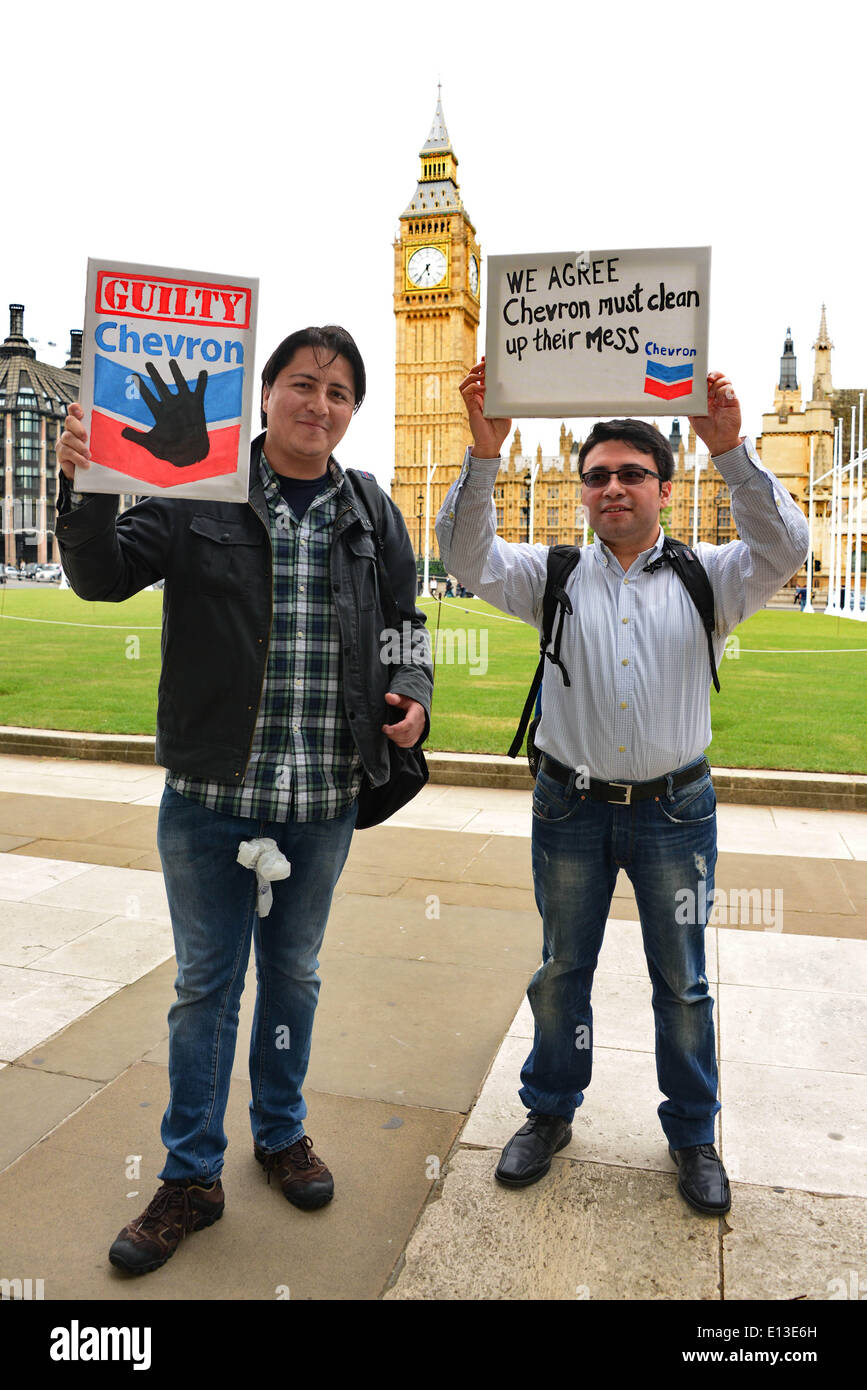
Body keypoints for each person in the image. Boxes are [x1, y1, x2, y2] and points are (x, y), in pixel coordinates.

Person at [56, 325, 432, 1274]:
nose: (321, 404)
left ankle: (280, 1134)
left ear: (352, 411)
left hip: (320, 796)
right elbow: (101, 577)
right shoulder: (198, 489)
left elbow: (403, 619)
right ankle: (190, 1175)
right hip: (213, 793)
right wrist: (87, 488)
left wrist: (415, 694)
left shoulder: (369, 508)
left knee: (294, 977)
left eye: (340, 392)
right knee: (204, 991)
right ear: (264, 395)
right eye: (303, 385)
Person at [436, 361, 808, 1216]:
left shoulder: (709, 576)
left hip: (675, 812)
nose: (612, 488)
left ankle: (691, 1134)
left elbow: (787, 549)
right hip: (567, 806)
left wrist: (732, 450)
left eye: (631, 474)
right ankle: (548, 1111)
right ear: (582, 490)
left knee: (680, 981)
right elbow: (465, 554)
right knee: (562, 970)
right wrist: (483, 454)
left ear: (664, 489)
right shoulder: (553, 576)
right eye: (597, 475)